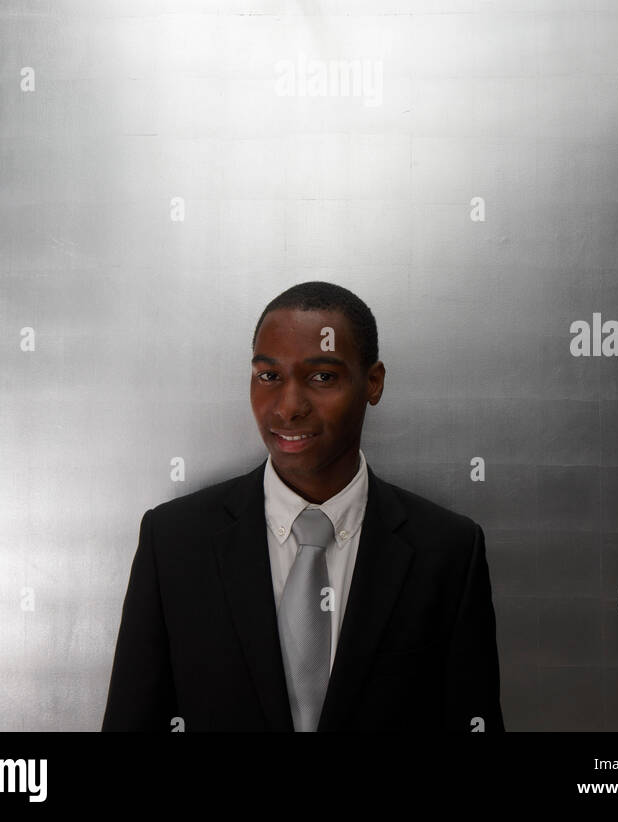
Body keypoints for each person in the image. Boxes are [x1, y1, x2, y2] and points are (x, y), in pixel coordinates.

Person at [101, 280, 504, 732]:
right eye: (269, 376)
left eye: (322, 377)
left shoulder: (448, 551)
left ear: (373, 382)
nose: (289, 407)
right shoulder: (174, 542)